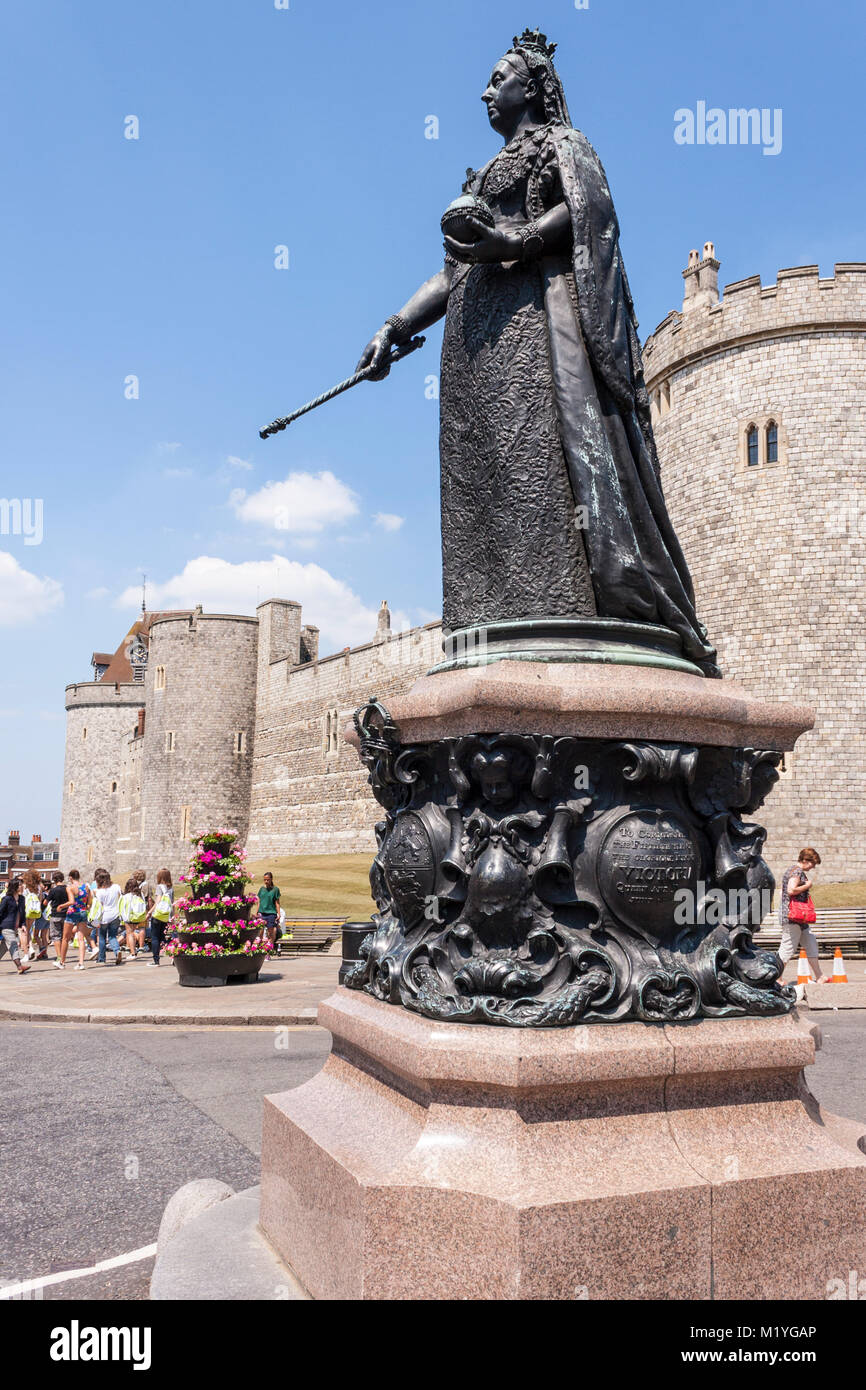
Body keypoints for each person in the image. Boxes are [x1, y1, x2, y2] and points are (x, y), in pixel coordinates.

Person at [356, 27, 718, 676]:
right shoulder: (481, 174)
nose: (485, 91)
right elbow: (449, 275)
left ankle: (567, 610)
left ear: (536, 88)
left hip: (539, 333)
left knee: (544, 462)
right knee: (486, 477)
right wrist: (394, 325)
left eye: (499, 80)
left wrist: (515, 239)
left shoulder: (564, 147)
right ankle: (495, 619)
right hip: (474, 356)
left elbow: (589, 215)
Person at [778, 847, 826, 984]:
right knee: (787, 947)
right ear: (805, 860)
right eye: (813, 864)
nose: (813, 867)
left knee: (810, 943)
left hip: (799, 917)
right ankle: (777, 978)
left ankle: (820, 976)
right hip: (792, 917)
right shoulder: (796, 871)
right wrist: (807, 885)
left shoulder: (794, 871)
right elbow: (791, 890)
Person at [58, 869, 92, 971]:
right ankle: (81, 963)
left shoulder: (70, 887)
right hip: (83, 912)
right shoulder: (86, 887)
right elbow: (90, 902)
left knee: (65, 938)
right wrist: (86, 907)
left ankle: (62, 962)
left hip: (72, 912)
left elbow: (71, 901)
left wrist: (61, 906)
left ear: (71, 878)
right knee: (81, 938)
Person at [0, 879, 30, 974]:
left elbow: (23, 913)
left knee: (4, 947)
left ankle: (19, 966)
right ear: (15, 887)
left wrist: (23, 924)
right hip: (6, 925)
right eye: (20, 885)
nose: (22, 886)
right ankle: (19, 966)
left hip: (15, 927)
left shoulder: (22, 899)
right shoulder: (7, 899)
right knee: (13, 944)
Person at [94, 870, 122, 965]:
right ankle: (117, 950)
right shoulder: (116, 887)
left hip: (104, 916)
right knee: (112, 936)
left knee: (102, 937)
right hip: (116, 915)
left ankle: (101, 958)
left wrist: (95, 921)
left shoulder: (100, 892)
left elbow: (98, 907)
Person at [146, 869, 173, 966]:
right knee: (163, 937)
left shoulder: (159, 887)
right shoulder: (171, 888)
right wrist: (172, 917)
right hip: (165, 916)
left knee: (155, 938)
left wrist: (149, 912)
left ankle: (156, 960)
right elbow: (172, 904)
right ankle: (173, 955)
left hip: (158, 915)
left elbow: (157, 902)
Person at [118, 878, 147, 957]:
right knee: (133, 932)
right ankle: (134, 949)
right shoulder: (140, 895)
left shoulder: (126, 896)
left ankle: (132, 952)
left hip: (129, 917)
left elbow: (122, 908)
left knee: (129, 934)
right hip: (138, 917)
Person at [45, 871, 69, 966]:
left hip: (55, 915)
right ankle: (64, 957)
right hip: (66, 915)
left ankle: (59, 956)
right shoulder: (67, 888)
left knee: (56, 937)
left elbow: (45, 902)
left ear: (54, 880)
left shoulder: (53, 890)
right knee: (65, 938)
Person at [257, 872, 281, 950]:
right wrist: (257, 912)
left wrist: (279, 914)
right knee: (260, 932)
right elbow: (259, 902)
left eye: (267, 880)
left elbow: (277, 903)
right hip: (261, 913)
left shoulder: (275, 889)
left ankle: (268, 950)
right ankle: (260, 949)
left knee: (271, 933)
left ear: (271, 879)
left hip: (271, 913)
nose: (266, 881)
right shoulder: (262, 889)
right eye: (264, 880)